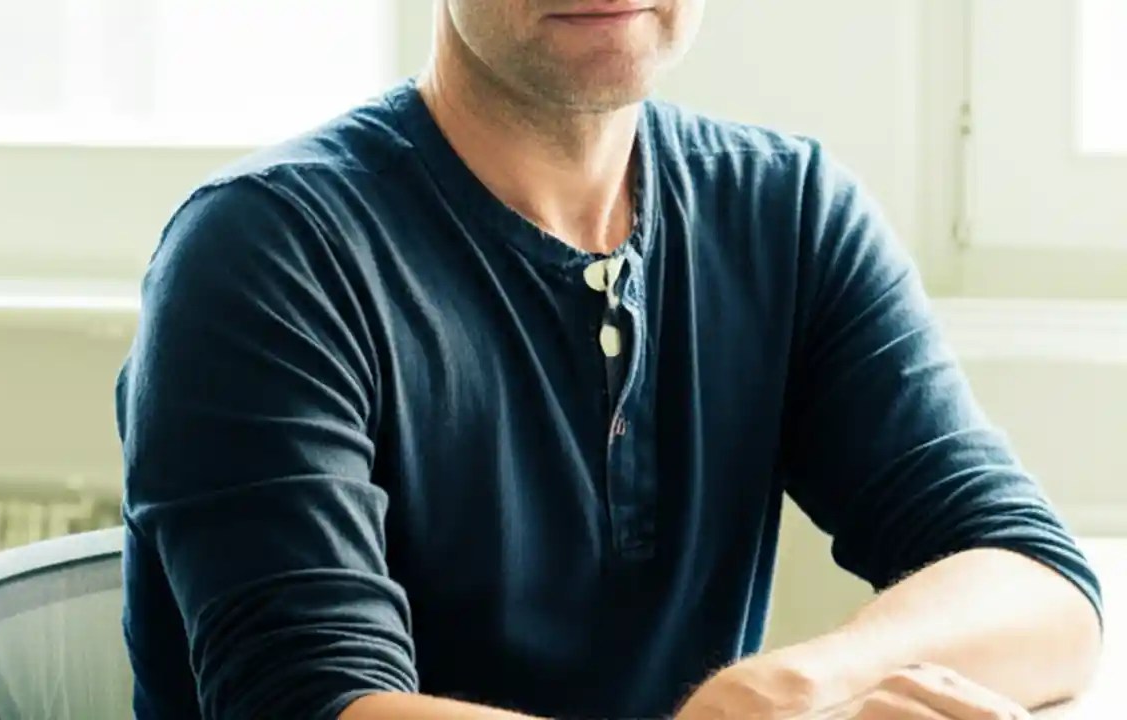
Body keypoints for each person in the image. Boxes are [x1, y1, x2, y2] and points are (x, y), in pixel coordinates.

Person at [115, 1, 1104, 718]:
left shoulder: (787, 212)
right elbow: (315, 704)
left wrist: (798, 686)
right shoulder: (265, 251)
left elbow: (1036, 582)